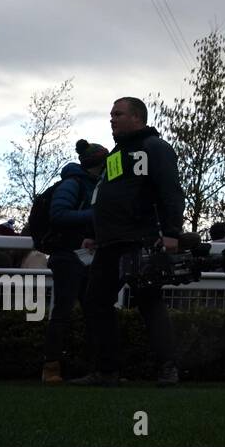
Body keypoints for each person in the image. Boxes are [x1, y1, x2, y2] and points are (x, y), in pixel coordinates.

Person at [69, 97, 183, 387]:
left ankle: (167, 369)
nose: (112, 119)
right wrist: (95, 234)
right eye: (110, 114)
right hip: (110, 243)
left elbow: (171, 189)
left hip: (139, 241)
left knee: (150, 303)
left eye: (118, 114)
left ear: (137, 117)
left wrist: (172, 232)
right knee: (95, 303)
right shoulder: (118, 155)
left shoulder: (154, 147)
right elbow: (109, 197)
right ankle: (107, 371)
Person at [41, 140, 109, 384]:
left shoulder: (82, 183)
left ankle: (84, 368)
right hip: (68, 256)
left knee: (87, 312)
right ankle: (52, 366)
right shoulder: (75, 184)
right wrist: (97, 215)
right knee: (65, 311)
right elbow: (59, 215)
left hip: (78, 256)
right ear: (100, 164)